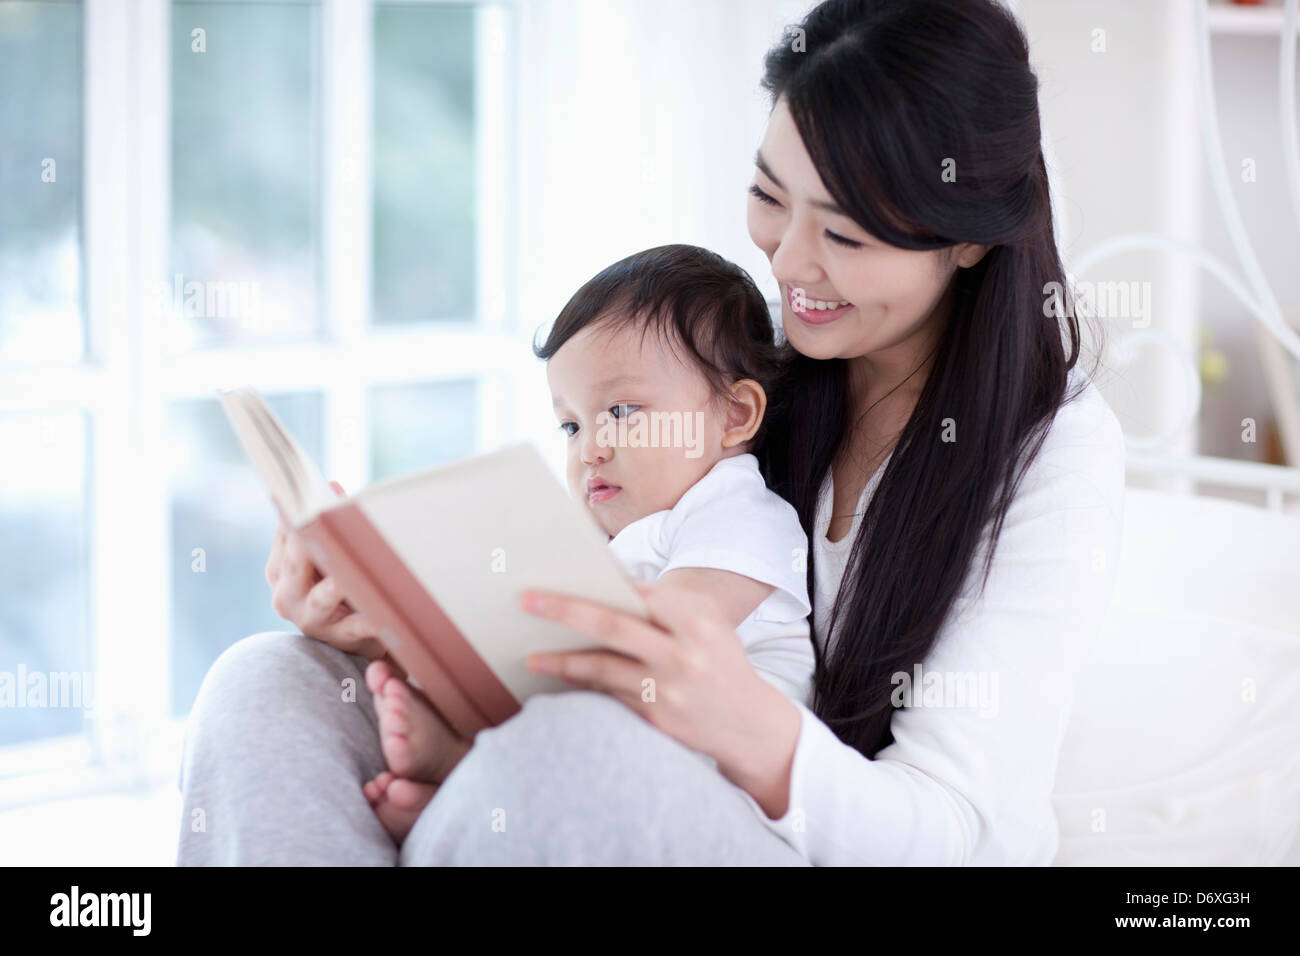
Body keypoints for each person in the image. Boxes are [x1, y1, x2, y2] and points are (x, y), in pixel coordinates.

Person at [176, 0, 1124, 866]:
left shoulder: (1054, 453)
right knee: (270, 686)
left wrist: (746, 726)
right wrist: (388, 625)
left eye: (845, 235)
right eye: (769, 197)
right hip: (638, 769)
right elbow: (575, 606)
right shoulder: (747, 377)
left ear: (966, 237)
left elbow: (960, 831)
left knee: (570, 759)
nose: (790, 263)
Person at [362, 244, 816, 843]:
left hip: (721, 801)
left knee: (564, 719)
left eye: (622, 411)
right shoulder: (617, 529)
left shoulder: (740, 512)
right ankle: (470, 784)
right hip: (616, 757)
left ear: (734, 414)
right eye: (571, 425)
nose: (589, 449)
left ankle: (466, 772)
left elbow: (660, 637)